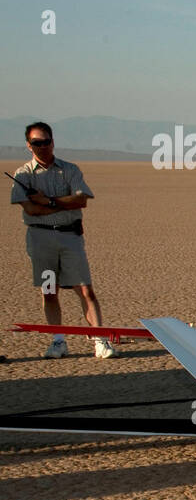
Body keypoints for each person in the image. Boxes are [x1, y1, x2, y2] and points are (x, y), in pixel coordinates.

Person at [9, 121, 117, 359]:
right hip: (41, 241)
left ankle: (99, 340)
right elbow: (30, 210)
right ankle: (58, 341)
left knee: (86, 289)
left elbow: (81, 200)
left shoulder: (70, 170)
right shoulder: (23, 175)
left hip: (70, 238)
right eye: (37, 143)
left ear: (53, 142)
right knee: (49, 291)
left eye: (46, 141)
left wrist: (48, 202)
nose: (43, 146)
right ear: (29, 145)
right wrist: (60, 203)